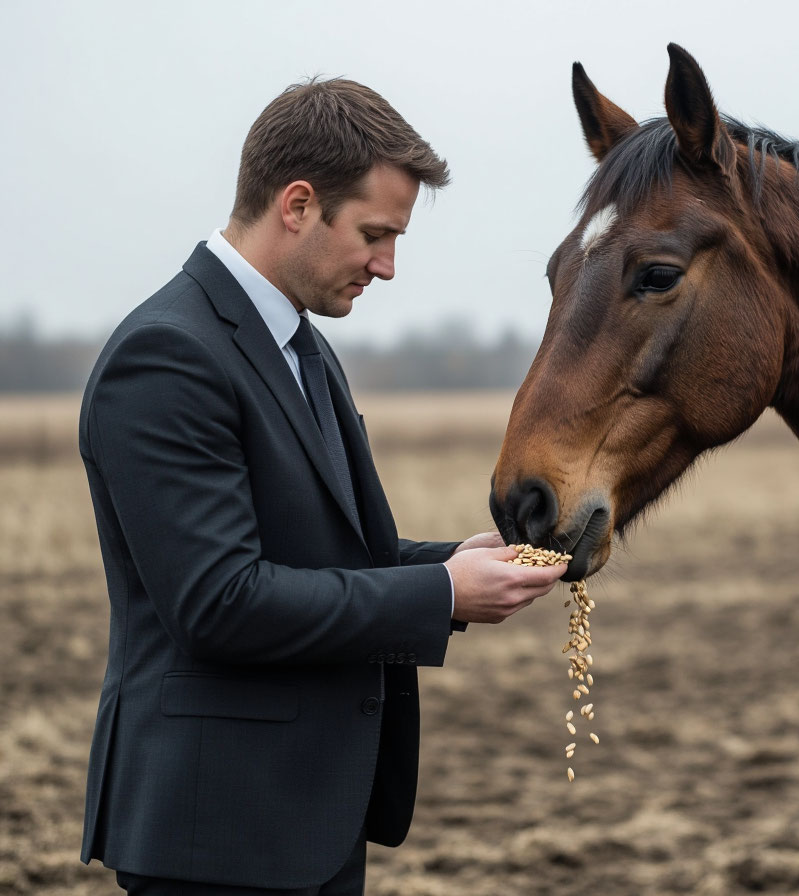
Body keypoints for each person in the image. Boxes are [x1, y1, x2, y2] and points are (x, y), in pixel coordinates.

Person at [77, 77, 566, 895]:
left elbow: (321, 552)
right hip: (217, 835)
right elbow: (219, 603)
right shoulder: (166, 357)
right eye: (376, 234)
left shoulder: (302, 345)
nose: (389, 266)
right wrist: (439, 594)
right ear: (298, 204)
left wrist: (464, 559)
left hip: (310, 818)